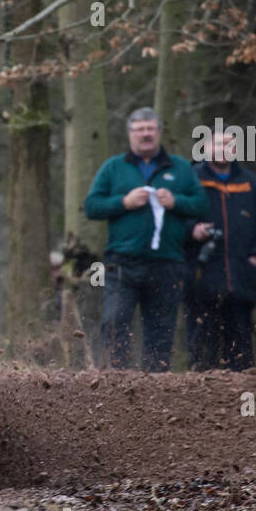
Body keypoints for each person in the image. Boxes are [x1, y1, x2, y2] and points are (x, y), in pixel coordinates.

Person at [84, 107, 207, 371]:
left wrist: (176, 202)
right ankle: (113, 379)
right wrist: (123, 202)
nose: (145, 134)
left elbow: (201, 204)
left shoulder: (182, 168)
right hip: (122, 263)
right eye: (139, 130)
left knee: (161, 329)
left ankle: (155, 386)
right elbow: (92, 206)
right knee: (114, 321)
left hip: (167, 263)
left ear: (159, 132)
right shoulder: (114, 167)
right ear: (130, 134)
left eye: (150, 129)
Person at [185, 129, 256, 370]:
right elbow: (175, 217)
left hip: (241, 279)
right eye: (218, 144)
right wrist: (192, 231)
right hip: (201, 278)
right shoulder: (192, 179)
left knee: (241, 352)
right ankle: (200, 399)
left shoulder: (250, 184)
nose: (224, 150)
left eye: (230, 145)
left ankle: (242, 401)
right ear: (206, 149)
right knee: (203, 350)